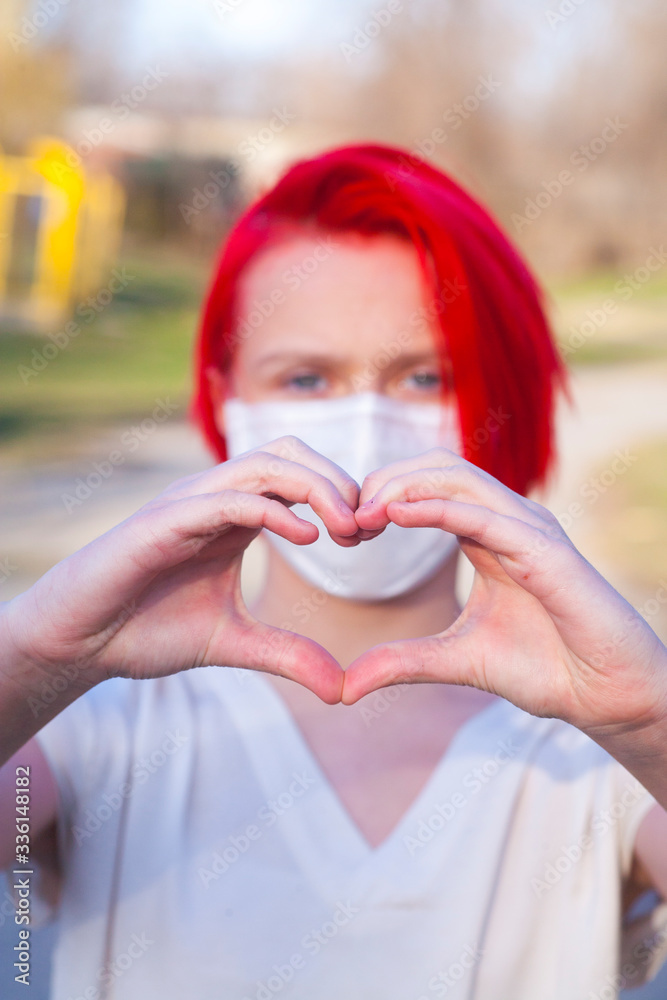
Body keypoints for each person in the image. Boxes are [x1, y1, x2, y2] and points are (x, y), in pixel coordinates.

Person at [1, 143, 666, 1000]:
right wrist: (32, 654)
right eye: (306, 376)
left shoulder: (601, 751)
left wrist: (650, 721)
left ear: (504, 399)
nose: (362, 418)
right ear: (227, 395)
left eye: (424, 375)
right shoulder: (91, 718)